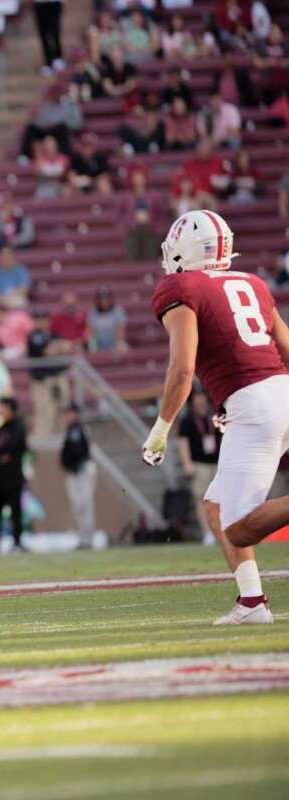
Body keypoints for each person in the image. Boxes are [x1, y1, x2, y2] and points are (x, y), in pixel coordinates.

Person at [141, 209, 282, 625]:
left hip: (256, 404)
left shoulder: (180, 286)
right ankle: (252, 602)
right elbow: (285, 345)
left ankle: (253, 603)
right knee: (217, 506)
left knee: (238, 528)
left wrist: (160, 431)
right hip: (276, 394)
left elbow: (182, 369)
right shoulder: (253, 282)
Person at [177, 391, 222, 543]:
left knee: (222, 498)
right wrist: (187, 463)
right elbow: (183, 443)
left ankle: (223, 530)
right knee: (201, 499)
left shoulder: (216, 415)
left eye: (202, 396)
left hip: (219, 463)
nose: (200, 400)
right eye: (197, 397)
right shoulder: (187, 420)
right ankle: (207, 532)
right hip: (199, 464)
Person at [0, 397, 28, 552]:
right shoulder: (0, 429)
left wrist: (0, 450)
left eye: (2, 407)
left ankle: (17, 542)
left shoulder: (18, 427)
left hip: (13, 476)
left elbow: (12, 447)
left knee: (15, 510)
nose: (0, 411)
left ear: (11, 409)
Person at [26, 310, 71, 437]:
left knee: (62, 409)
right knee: (44, 412)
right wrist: (59, 348)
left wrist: (59, 347)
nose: (41, 322)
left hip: (58, 377)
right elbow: (48, 351)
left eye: (43, 319)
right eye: (38, 319)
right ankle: (42, 442)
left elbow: (68, 346)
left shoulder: (54, 334)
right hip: (42, 381)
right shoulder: (34, 336)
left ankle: (61, 438)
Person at [59, 403, 97, 547]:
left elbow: (85, 451)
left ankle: (88, 537)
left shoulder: (82, 429)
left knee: (85, 503)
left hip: (83, 471)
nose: (67, 416)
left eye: (69, 413)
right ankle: (82, 536)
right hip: (72, 472)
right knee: (77, 505)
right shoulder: (69, 430)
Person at [88, 287, 128, 353]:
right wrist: (95, 347)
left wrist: (115, 345)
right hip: (99, 345)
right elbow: (91, 333)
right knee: (91, 348)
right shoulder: (93, 313)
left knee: (122, 347)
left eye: (106, 298)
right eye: (102, 298)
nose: (104, 300)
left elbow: (120, 332)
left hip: (115, 343)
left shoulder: (118, 311)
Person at [33, 0, 65, 74]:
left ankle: (58, 57)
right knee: (43, 35)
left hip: (54, 3)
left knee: (55, 31)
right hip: (40, 4)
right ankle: (48, 62)